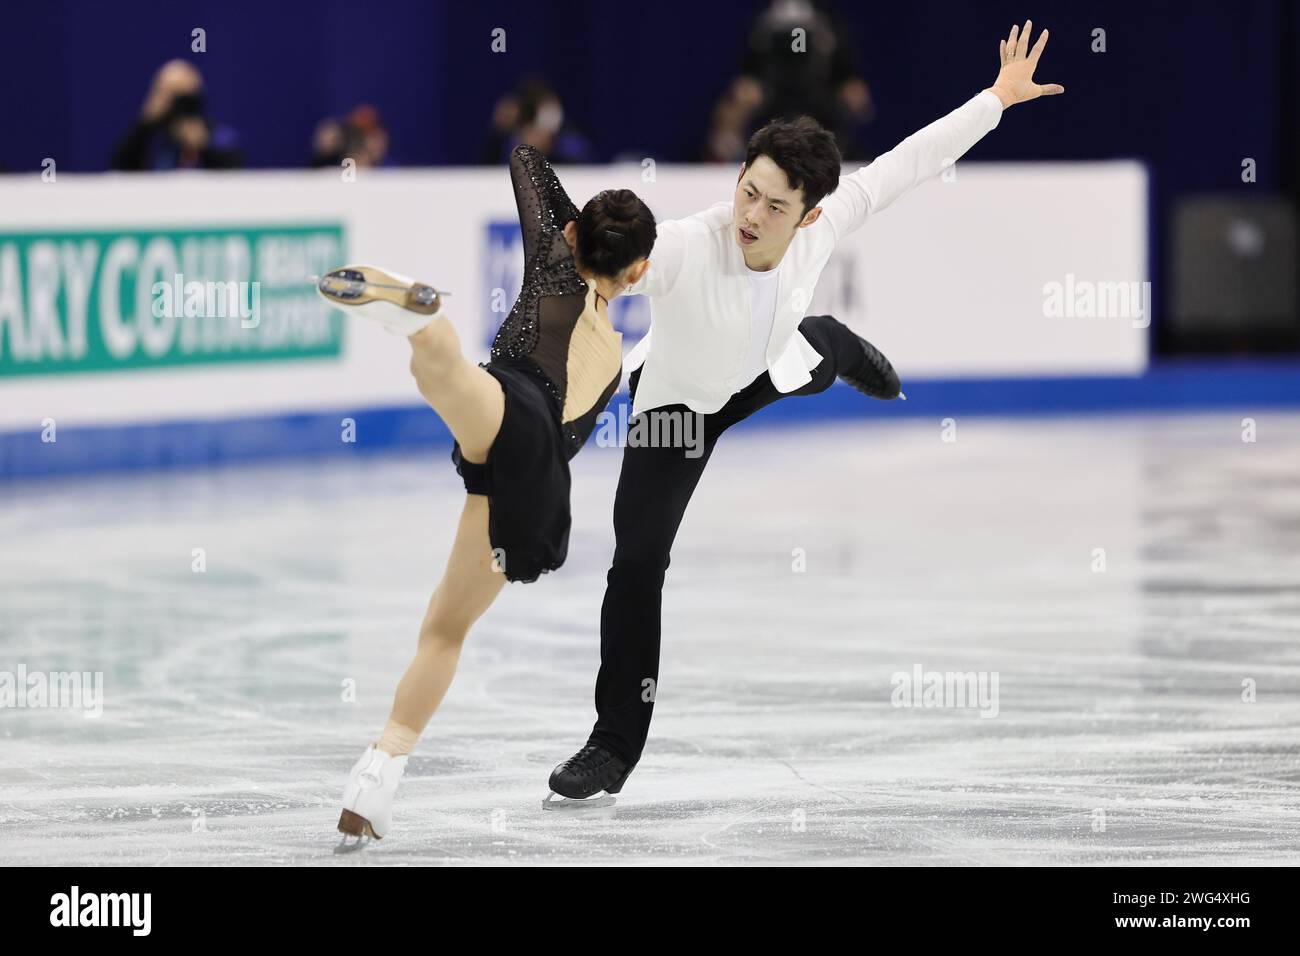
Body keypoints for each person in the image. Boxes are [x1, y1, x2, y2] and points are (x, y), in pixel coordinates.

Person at [547, 21, 1063, 803]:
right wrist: (588, 268)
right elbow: (630, 267)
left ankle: (841, 348)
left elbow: (909, 162)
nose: (750, 213)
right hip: (676, 411)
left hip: (762, 367)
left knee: (811, 350)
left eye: (774, 205)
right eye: (746, 190)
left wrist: (995, 98)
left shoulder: (830, 217)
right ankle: (613, 746)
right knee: (637, 563)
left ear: (810, 215)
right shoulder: (692, 245)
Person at [317, 144, 655, 847]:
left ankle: (420, 321)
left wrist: (568, 226)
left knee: (452, 381)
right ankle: (374, 779)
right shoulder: (615, 360)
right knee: (445, 628)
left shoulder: (554, 263)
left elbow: (527, 160)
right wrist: (585, 232)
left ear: (572, 237)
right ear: (639, 272)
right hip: (534, 464)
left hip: (506, 401)